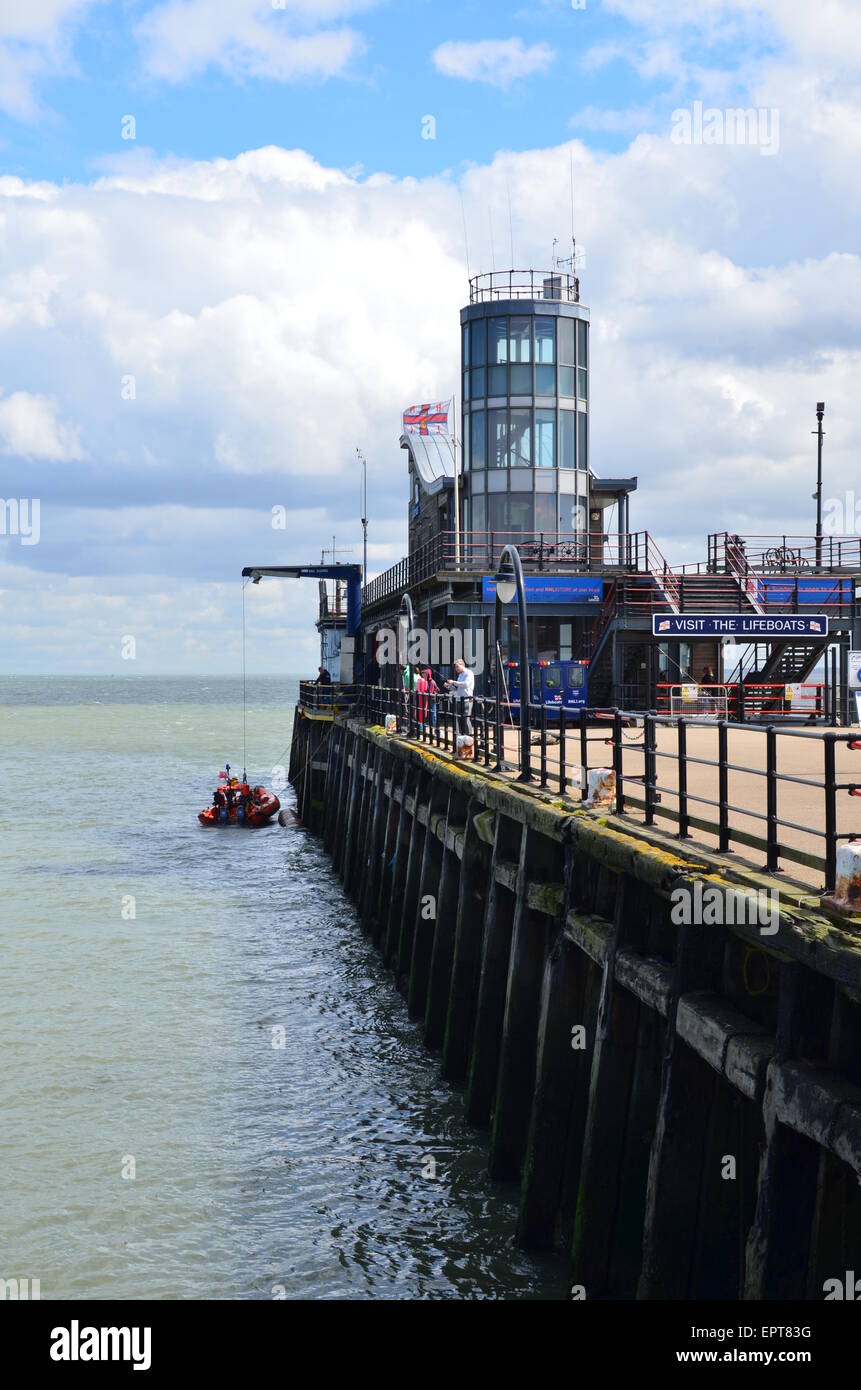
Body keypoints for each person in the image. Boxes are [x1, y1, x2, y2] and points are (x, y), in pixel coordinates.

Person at [446, 658, 474, 736]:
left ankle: (469, 738)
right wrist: (449, 686)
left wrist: (453, 682)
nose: (456, 669)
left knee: (466, 719)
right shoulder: (460, 675)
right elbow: (457, 689)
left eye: (457, 667)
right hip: (459, 700)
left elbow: (466, 684)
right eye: (455, 667)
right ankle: (462, 737)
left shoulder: (469, 673)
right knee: (459, 719)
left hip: (467, 700)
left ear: (462, 665)